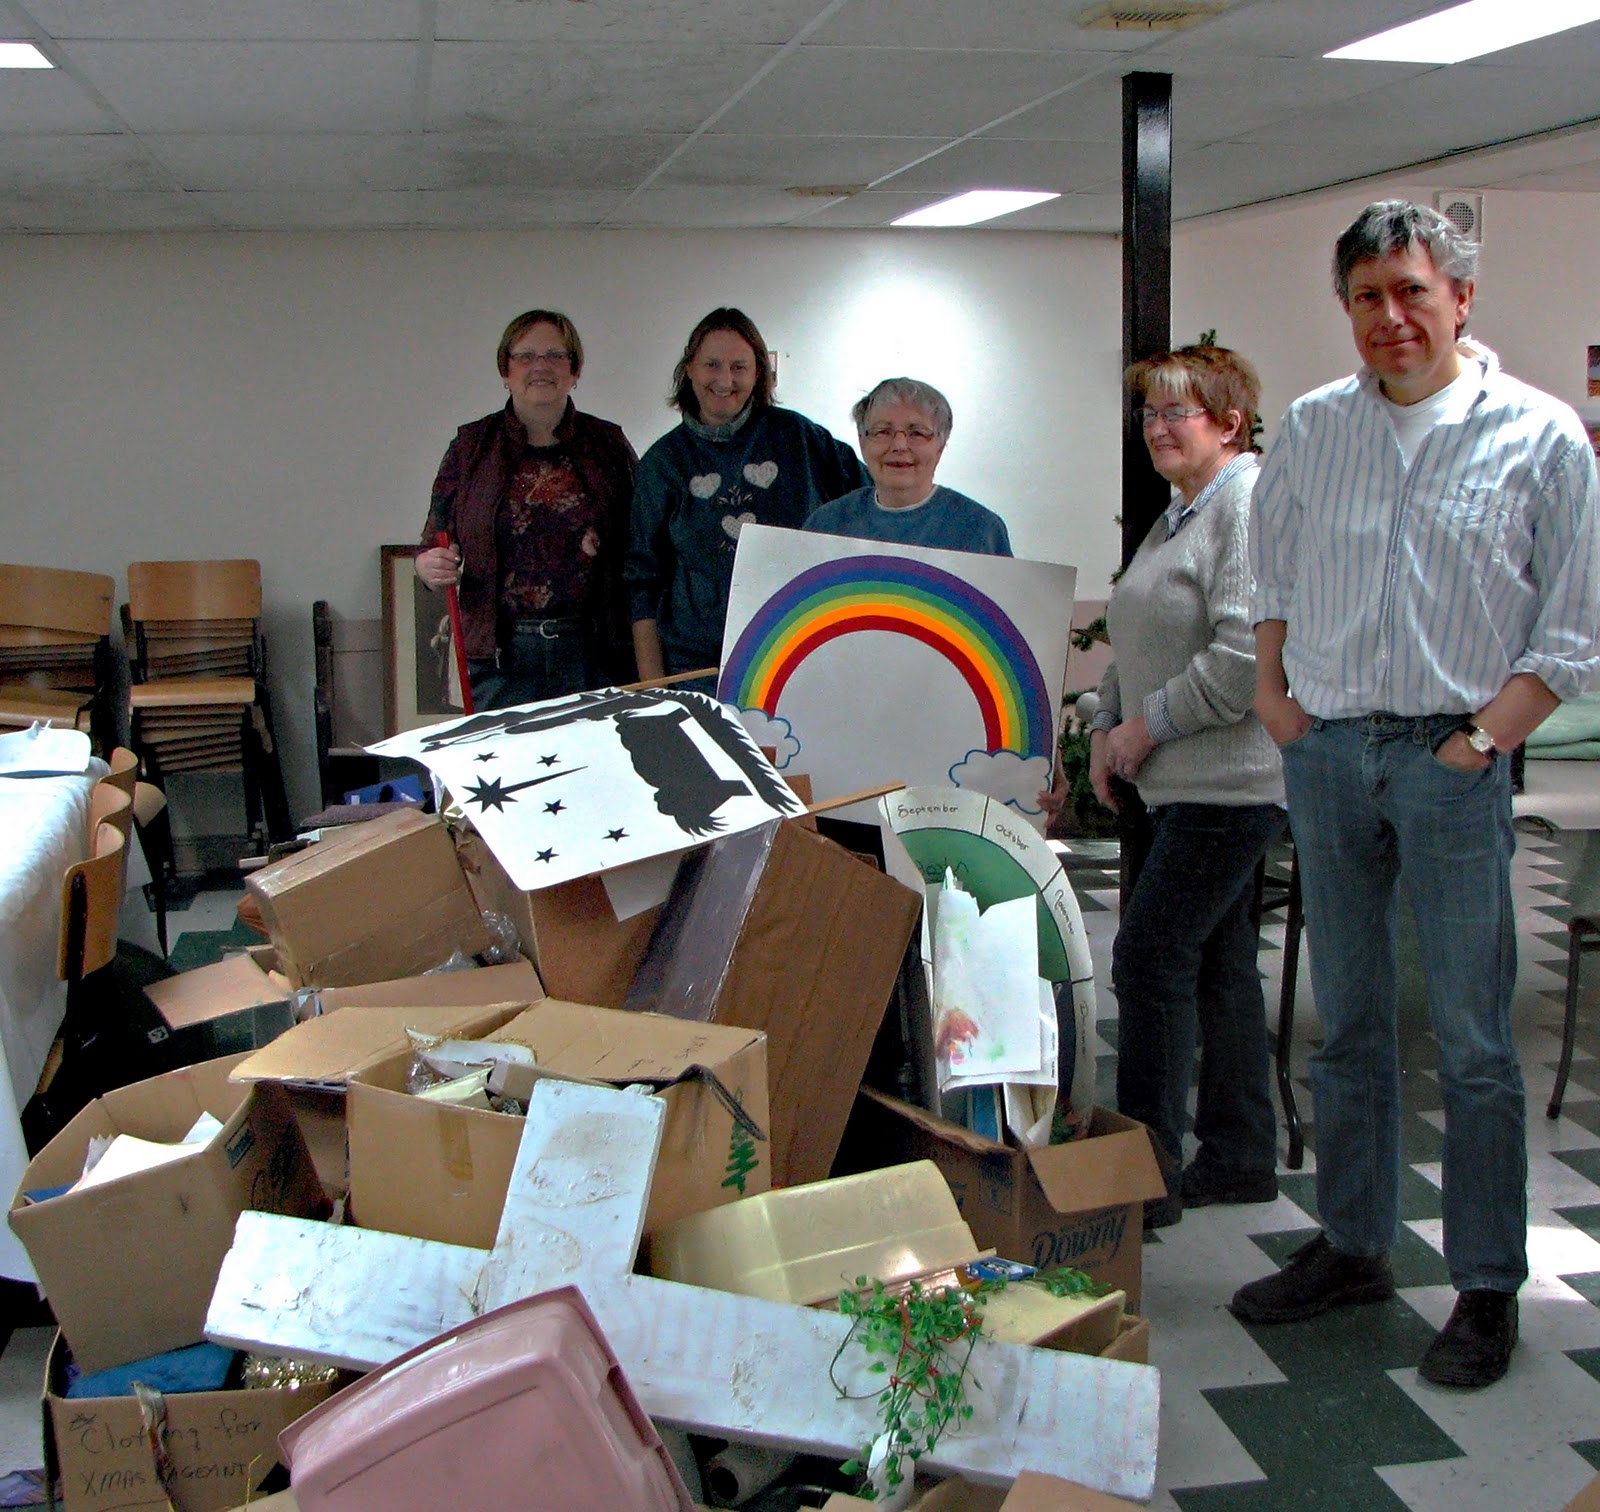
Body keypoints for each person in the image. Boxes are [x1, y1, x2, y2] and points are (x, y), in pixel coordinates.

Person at [1234, 201, 1600, 1389]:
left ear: (1460, 297)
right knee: (1347, 1027)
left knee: (1476, 1039)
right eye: (1366, 298)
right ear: (1343, 309)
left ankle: (1486, 1283)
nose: (1390, 319)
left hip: (1453, 760)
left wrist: (1485, 741)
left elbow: (1576, 629)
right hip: (1330, 753)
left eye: (1410, 291)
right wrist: (1281, 705)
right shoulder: (1311, 428)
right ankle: (1352, 1244)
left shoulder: (1541, 439)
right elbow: (1272, 571)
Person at [1043, 345, 1284, 1231]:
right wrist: (1107, 727)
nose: (1158, 427)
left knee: (1146, 962)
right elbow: (1134, 636)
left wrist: (1142, 730)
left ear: (1229, 422)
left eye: (1177, 411)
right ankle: (1240, 1158)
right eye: (1149, 413)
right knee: (1218, 970)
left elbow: (1240, 660)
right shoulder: (1181, 513)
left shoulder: (1247, 504)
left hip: (1229, 786)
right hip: (1169, 782)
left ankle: (1148, 1179)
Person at [625, 308, 866, 681]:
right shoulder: (663, 463)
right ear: (689, 369)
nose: (725, 380)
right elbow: (643, 578)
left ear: (758, 374)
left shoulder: (800, 439)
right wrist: (654, 687)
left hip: (798, 655)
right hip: (697, 668)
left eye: (739, 366)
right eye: (712, 365)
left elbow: (871, 503)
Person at [417, 309, 637, 709]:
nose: (541, 367)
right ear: (506, 369)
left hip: (596, 651)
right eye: (526, 356)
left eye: (556, 355)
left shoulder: (608, 444)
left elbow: (641, 540)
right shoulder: (471, 447)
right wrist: (429, 566)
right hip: (501, 658)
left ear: (575, 371)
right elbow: (433, 540)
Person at [804, 378, 1012, 555]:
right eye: (883, 431)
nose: (899, 445)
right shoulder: (826, 524)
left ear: (941, 444)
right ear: (862, 440)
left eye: (917, 433)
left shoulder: (980, 529)